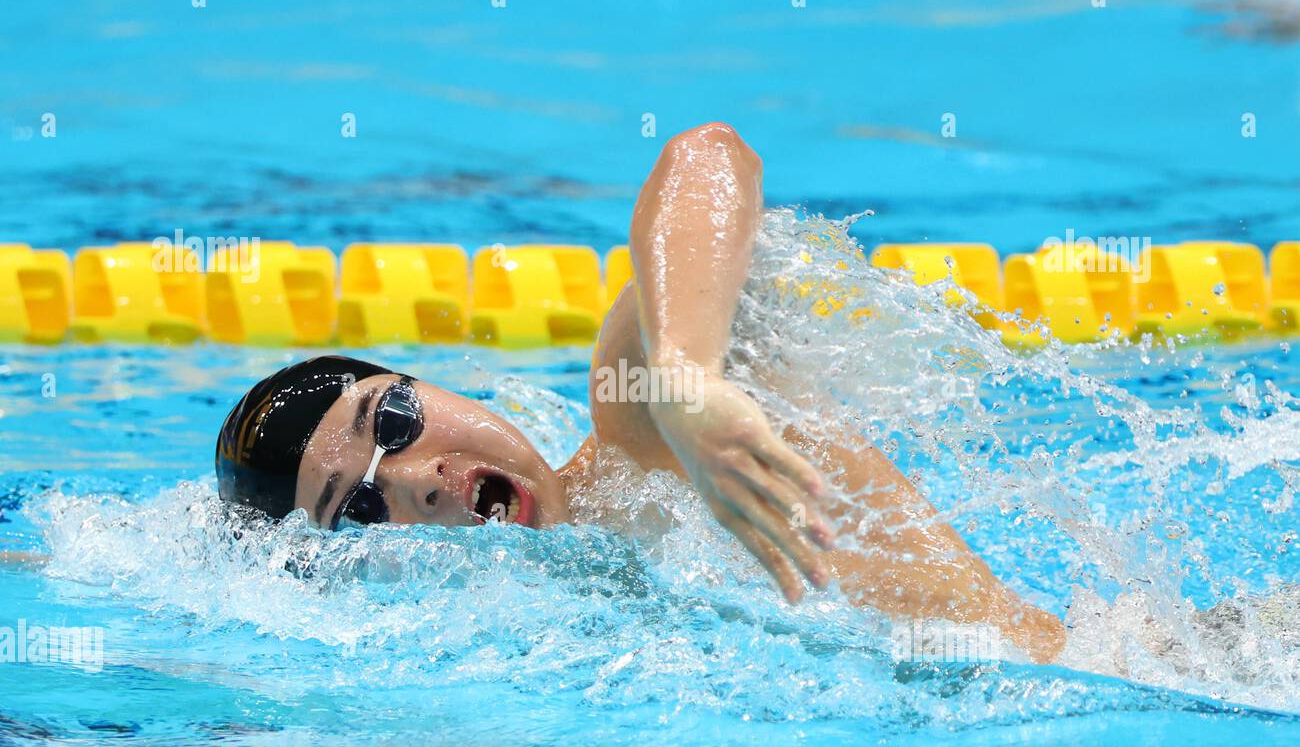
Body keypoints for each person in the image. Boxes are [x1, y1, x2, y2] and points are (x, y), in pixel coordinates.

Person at [216, 122, 1066, 663]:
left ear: (428, 384)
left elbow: (707, 156)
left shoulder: (644, 429)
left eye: (393, 420)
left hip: (1134, 674)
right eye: (358, 511)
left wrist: (689, 384)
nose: (413, 479)